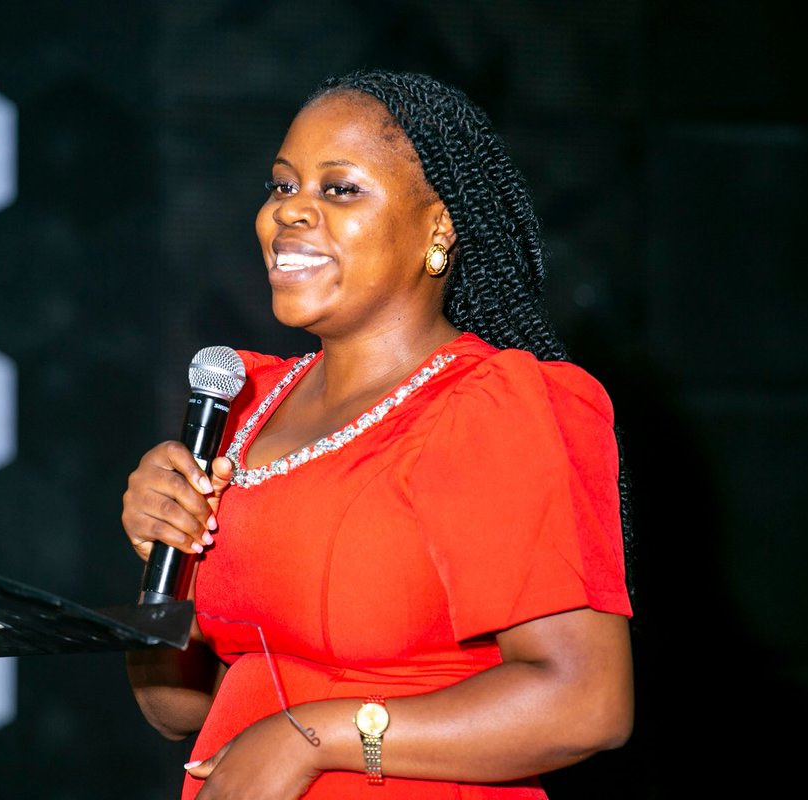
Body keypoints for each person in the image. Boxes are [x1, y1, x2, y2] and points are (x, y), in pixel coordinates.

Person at [122, 69, 634, 800]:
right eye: (282, 185)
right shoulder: (246, 406)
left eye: (339, 189)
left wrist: (312, 738)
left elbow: (585, 701)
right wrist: (159, 560)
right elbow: (174, 711)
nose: (290, 211)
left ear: (438, 228)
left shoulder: (490, 407)